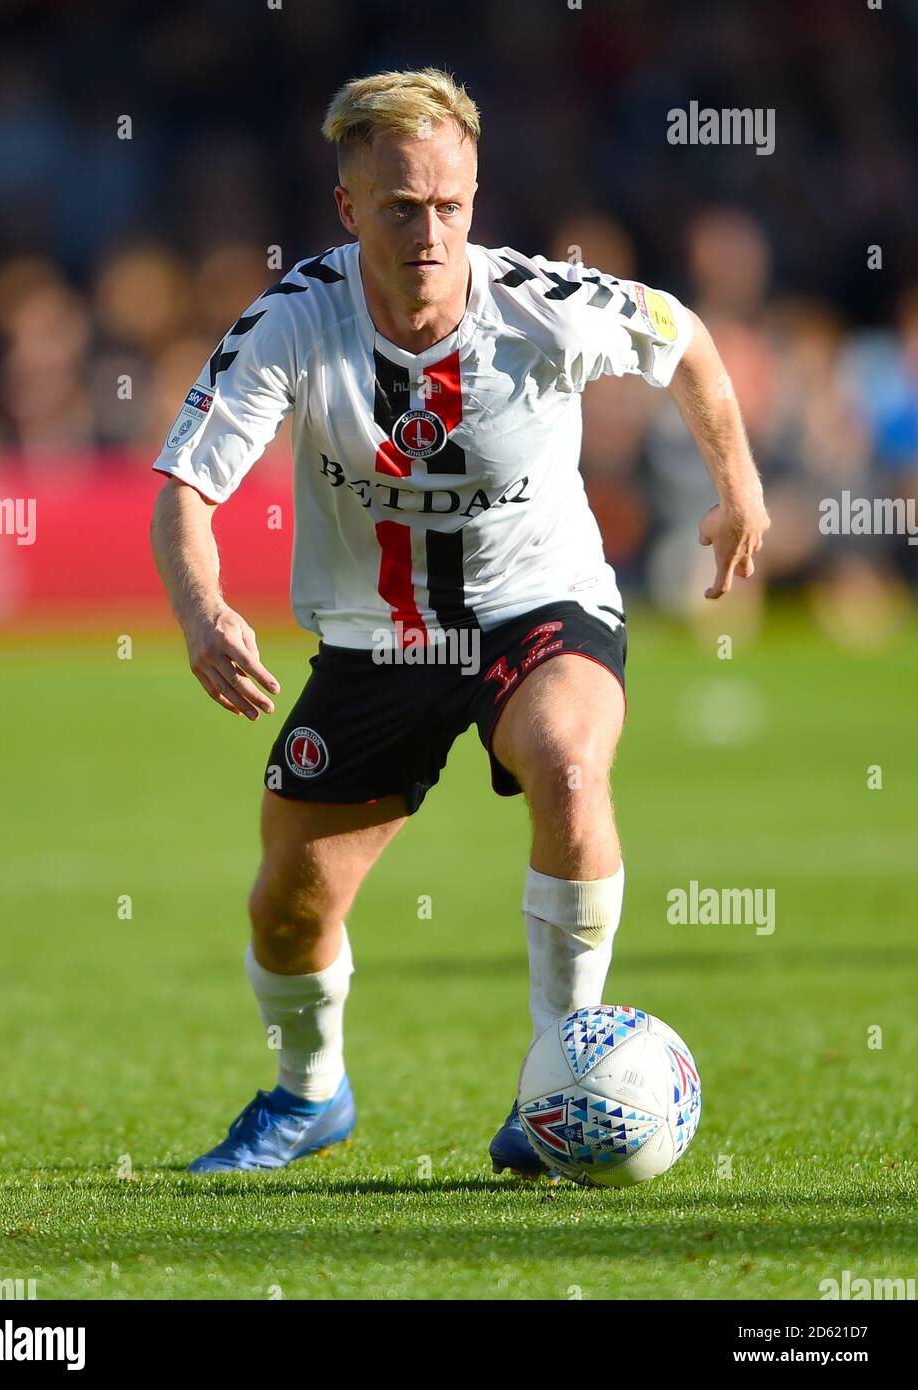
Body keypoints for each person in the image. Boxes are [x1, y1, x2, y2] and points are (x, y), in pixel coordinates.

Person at [149, 67, 769, 1176]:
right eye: (400, 208)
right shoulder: (292, 319)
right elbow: (186, 490)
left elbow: (689, 346)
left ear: (475, 196)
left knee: (571, 769)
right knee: (289, 906)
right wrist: (202, 614)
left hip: (539, 608)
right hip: (373, 641)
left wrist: (740, 488)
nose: (430, 231)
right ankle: (308, 1095)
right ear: (348, 210)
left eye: (449, 204)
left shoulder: (542, 301)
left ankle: (556, 1083)